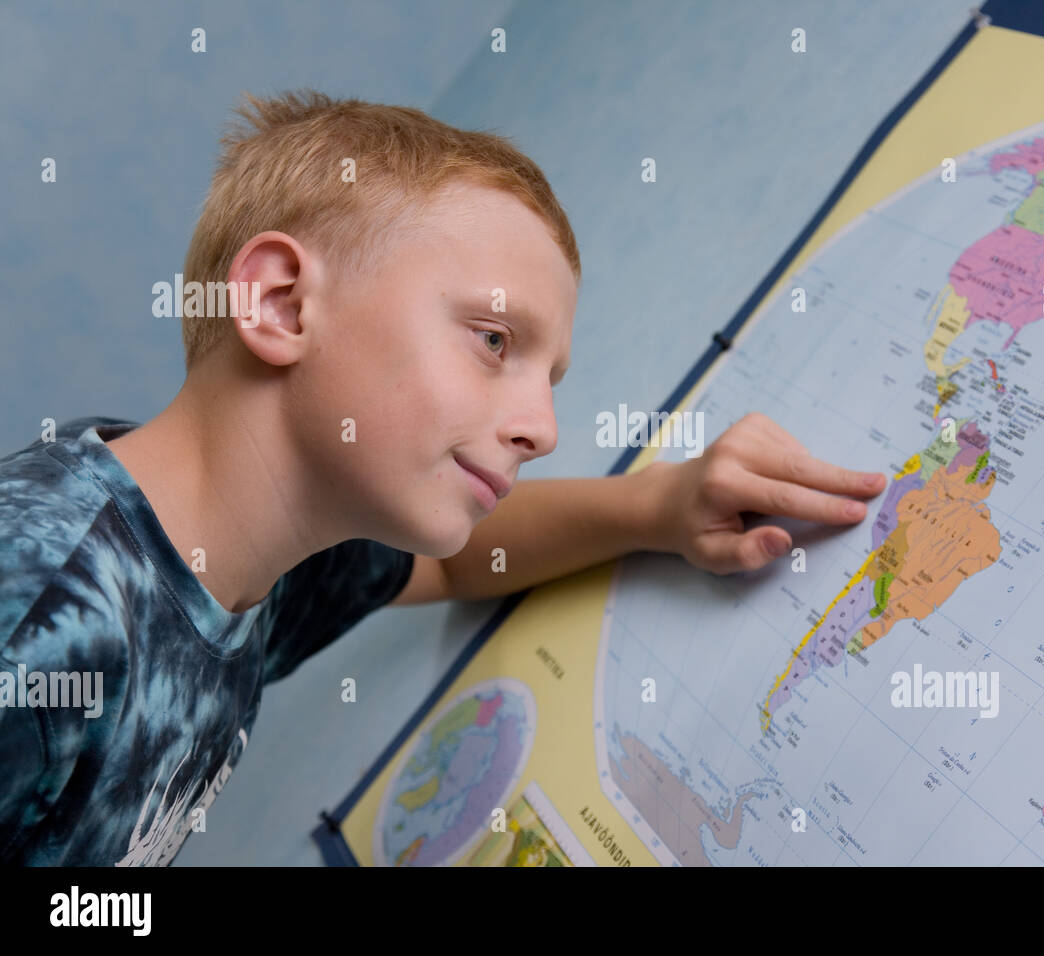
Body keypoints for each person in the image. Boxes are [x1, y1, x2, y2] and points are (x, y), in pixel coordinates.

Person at [0, 90, 886, 865]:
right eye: (495, 341)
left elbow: (457, 564)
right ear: (280, 304)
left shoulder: (241, 565)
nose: (542, 429)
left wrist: (660, 504)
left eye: (550, 380)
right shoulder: (41, 605)